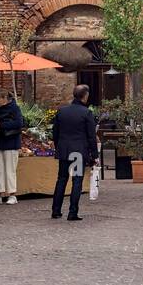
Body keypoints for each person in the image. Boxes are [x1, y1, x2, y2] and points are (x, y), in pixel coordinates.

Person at [52, 84, 98, 222]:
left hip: (64, 150)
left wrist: (58, 146)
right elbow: (91, 136)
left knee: (61, 179)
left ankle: (55, 210)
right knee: (77, 181)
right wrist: (95, 155)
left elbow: (55, 133)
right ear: (85, 96)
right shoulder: (86, 113)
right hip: (78, 152)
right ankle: (72, 212)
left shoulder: (62, 111)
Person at [0, 90, 25, 205]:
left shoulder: (15, 108)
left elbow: (19, 123)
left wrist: (2, 125)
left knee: (10, 170)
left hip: (11, 142)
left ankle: (12, 195)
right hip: (0, 142)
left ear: (4, 98)